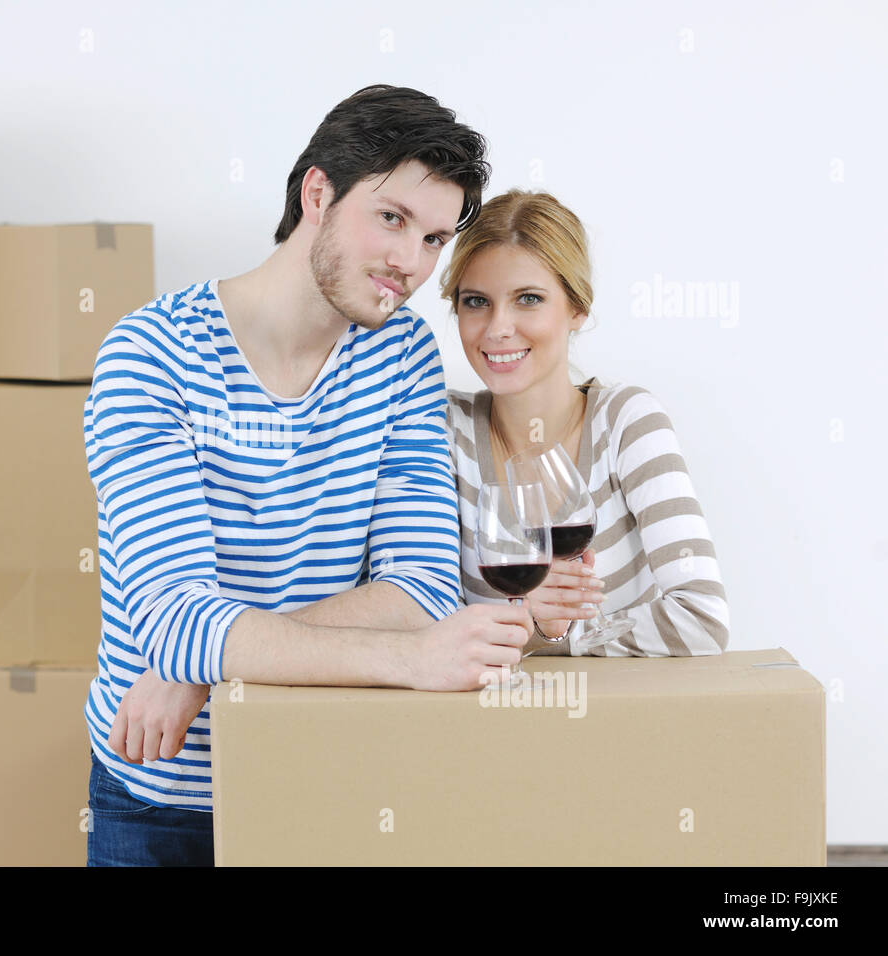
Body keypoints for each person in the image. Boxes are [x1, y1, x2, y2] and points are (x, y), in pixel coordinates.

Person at [82, 85, 532, 867]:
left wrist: (205, 667)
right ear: (317, 192)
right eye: (391, 218)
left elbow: (423, 586)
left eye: (432, 239)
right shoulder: (153, 355)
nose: (409, 264)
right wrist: (408, 659)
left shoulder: (400, 358)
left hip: (323, 768)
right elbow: (173, 619)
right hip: (166, 790)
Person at [439, 189, 730, 658]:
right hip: (473, 725)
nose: (497, 327)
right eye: (476, 302)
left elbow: (701, 620)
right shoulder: (440, 428)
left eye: (528, 299)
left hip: (610, 724)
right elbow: (413, 621)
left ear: (577, 309)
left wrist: (559, 633)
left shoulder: (625, 422)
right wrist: (533, 623)